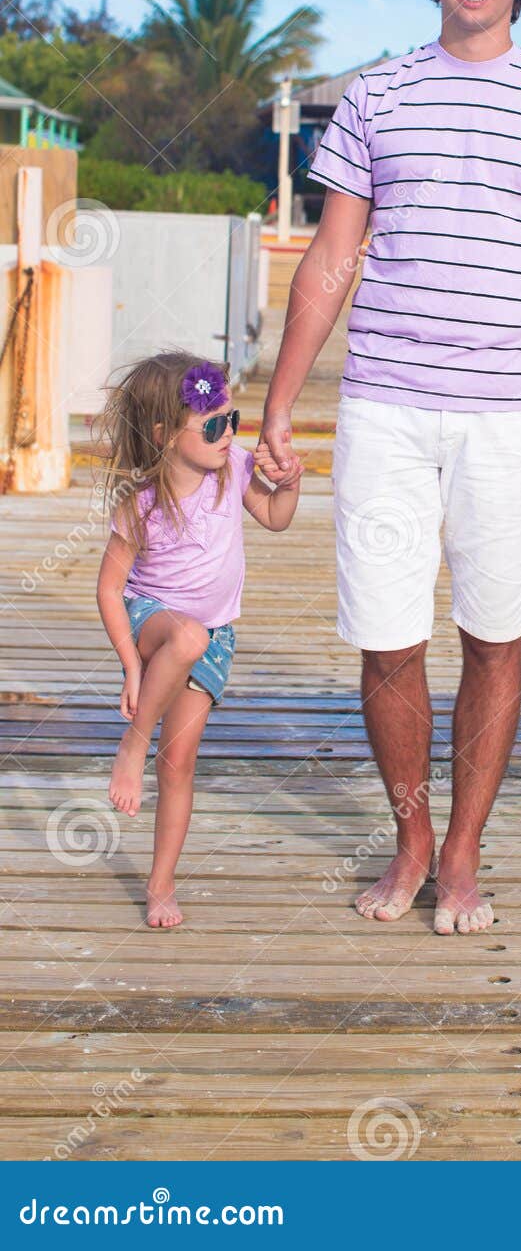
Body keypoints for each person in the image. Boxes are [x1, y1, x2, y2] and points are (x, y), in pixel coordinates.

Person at [257, 0, 521, 936]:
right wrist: (280, 404)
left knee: (494, 637)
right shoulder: (375, 95)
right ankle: (411, 834)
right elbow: (331, 259)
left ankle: (463, 850)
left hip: (509, 415)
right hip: (383, 405)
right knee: (386, 640)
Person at [97, 352, 302, 928]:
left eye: (231, 420)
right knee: (184, 636)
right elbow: (109, 589)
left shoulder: (232, 469)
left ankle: (161, 884)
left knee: (180, 763)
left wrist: (290, 485)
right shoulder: (142, 503)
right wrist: (131, 666)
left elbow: (276, 517)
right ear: (165, 433)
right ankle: (133, 745)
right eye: (212, 426)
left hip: (214, 635)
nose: (228, 433)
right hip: (153, 621)